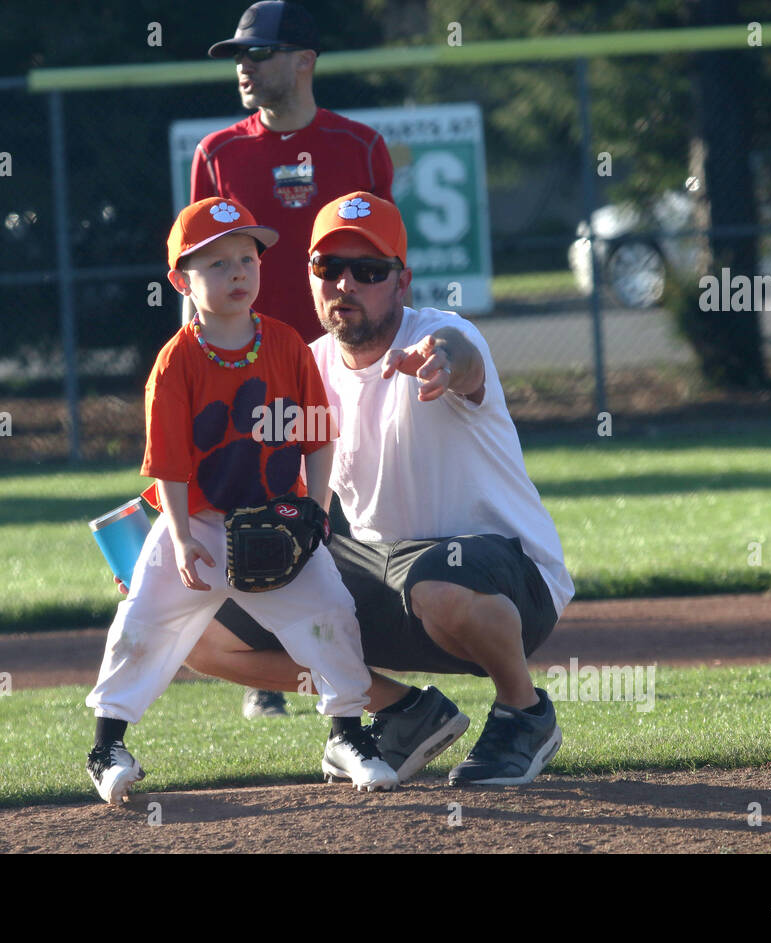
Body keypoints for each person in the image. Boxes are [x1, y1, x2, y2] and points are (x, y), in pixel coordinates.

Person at [181, 192, 576, 786]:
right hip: (384, 575)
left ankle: (525, 713)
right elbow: (241, 474)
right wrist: (170, 543)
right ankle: (404, 711)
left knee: (436, 578)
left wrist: (443, 363)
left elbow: (461, 360)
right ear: (310, 277)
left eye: (368, 271)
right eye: (329, 268)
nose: (346, 284)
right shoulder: (304, 370)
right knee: (199, 627)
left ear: (401, 282)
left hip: (505, 577)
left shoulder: (440, 333)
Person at [84, 196, 398, 805]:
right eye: (217, 263)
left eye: (246, 259)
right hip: (196, 524)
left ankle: (348, 736)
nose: (237, 273)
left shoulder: (284, 345)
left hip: (281, 523)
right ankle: (107, 747)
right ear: (181, 280)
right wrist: (177, 539)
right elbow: (169, 467)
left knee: (331, 612)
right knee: (144, 623)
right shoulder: (176, 362)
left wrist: (319, 510)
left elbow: (317, 434)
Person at [197, 0, 396, 717]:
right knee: (252, 510)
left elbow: (382, 259)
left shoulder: (361, 147)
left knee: (341, 504)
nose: (245, 66)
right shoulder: (219, 153)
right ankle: (272, 669)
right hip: (252, 365)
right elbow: (199, 268)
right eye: (240, 56)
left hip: (338, 358)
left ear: (304, 62)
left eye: (261, 52)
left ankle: (353, 658)